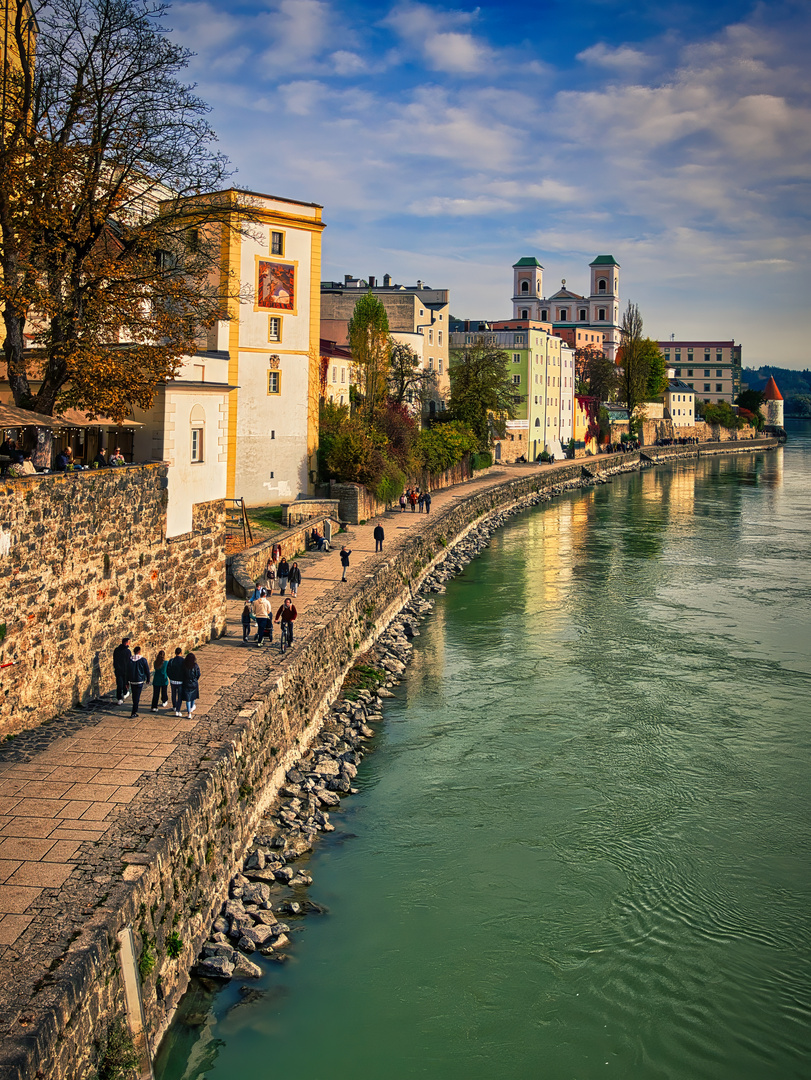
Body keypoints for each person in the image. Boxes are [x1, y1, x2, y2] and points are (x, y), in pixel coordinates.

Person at [127, 646, 151, 718]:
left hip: (132, 680)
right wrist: (148, 679)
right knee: (137, 696)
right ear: (140, 651)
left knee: (134, 695)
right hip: (140, 680)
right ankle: (134, 711)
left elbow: (127, 672)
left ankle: (134, 709)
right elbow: (147, 670)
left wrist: (126, 682)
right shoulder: (143, 660)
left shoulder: (129, 660)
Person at [166, 647, 185, 716]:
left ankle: (174, 706)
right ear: (181, 653)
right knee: (179, 696)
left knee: (173, 694)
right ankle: (178, 710)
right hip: (180, 681)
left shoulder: (171, 660)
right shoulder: (183, 661)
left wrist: (170, 677)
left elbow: (167, 670)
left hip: (173, 680)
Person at [113, 637, 132, 705]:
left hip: (124, 671)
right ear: (126, 643)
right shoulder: (118, 650)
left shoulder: (127, 651)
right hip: (120, 671)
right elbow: (115, 660)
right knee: (120, 685)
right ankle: (119, 698)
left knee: (124, 684)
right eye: (129, 642)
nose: (129, 643)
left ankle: (125, 693)